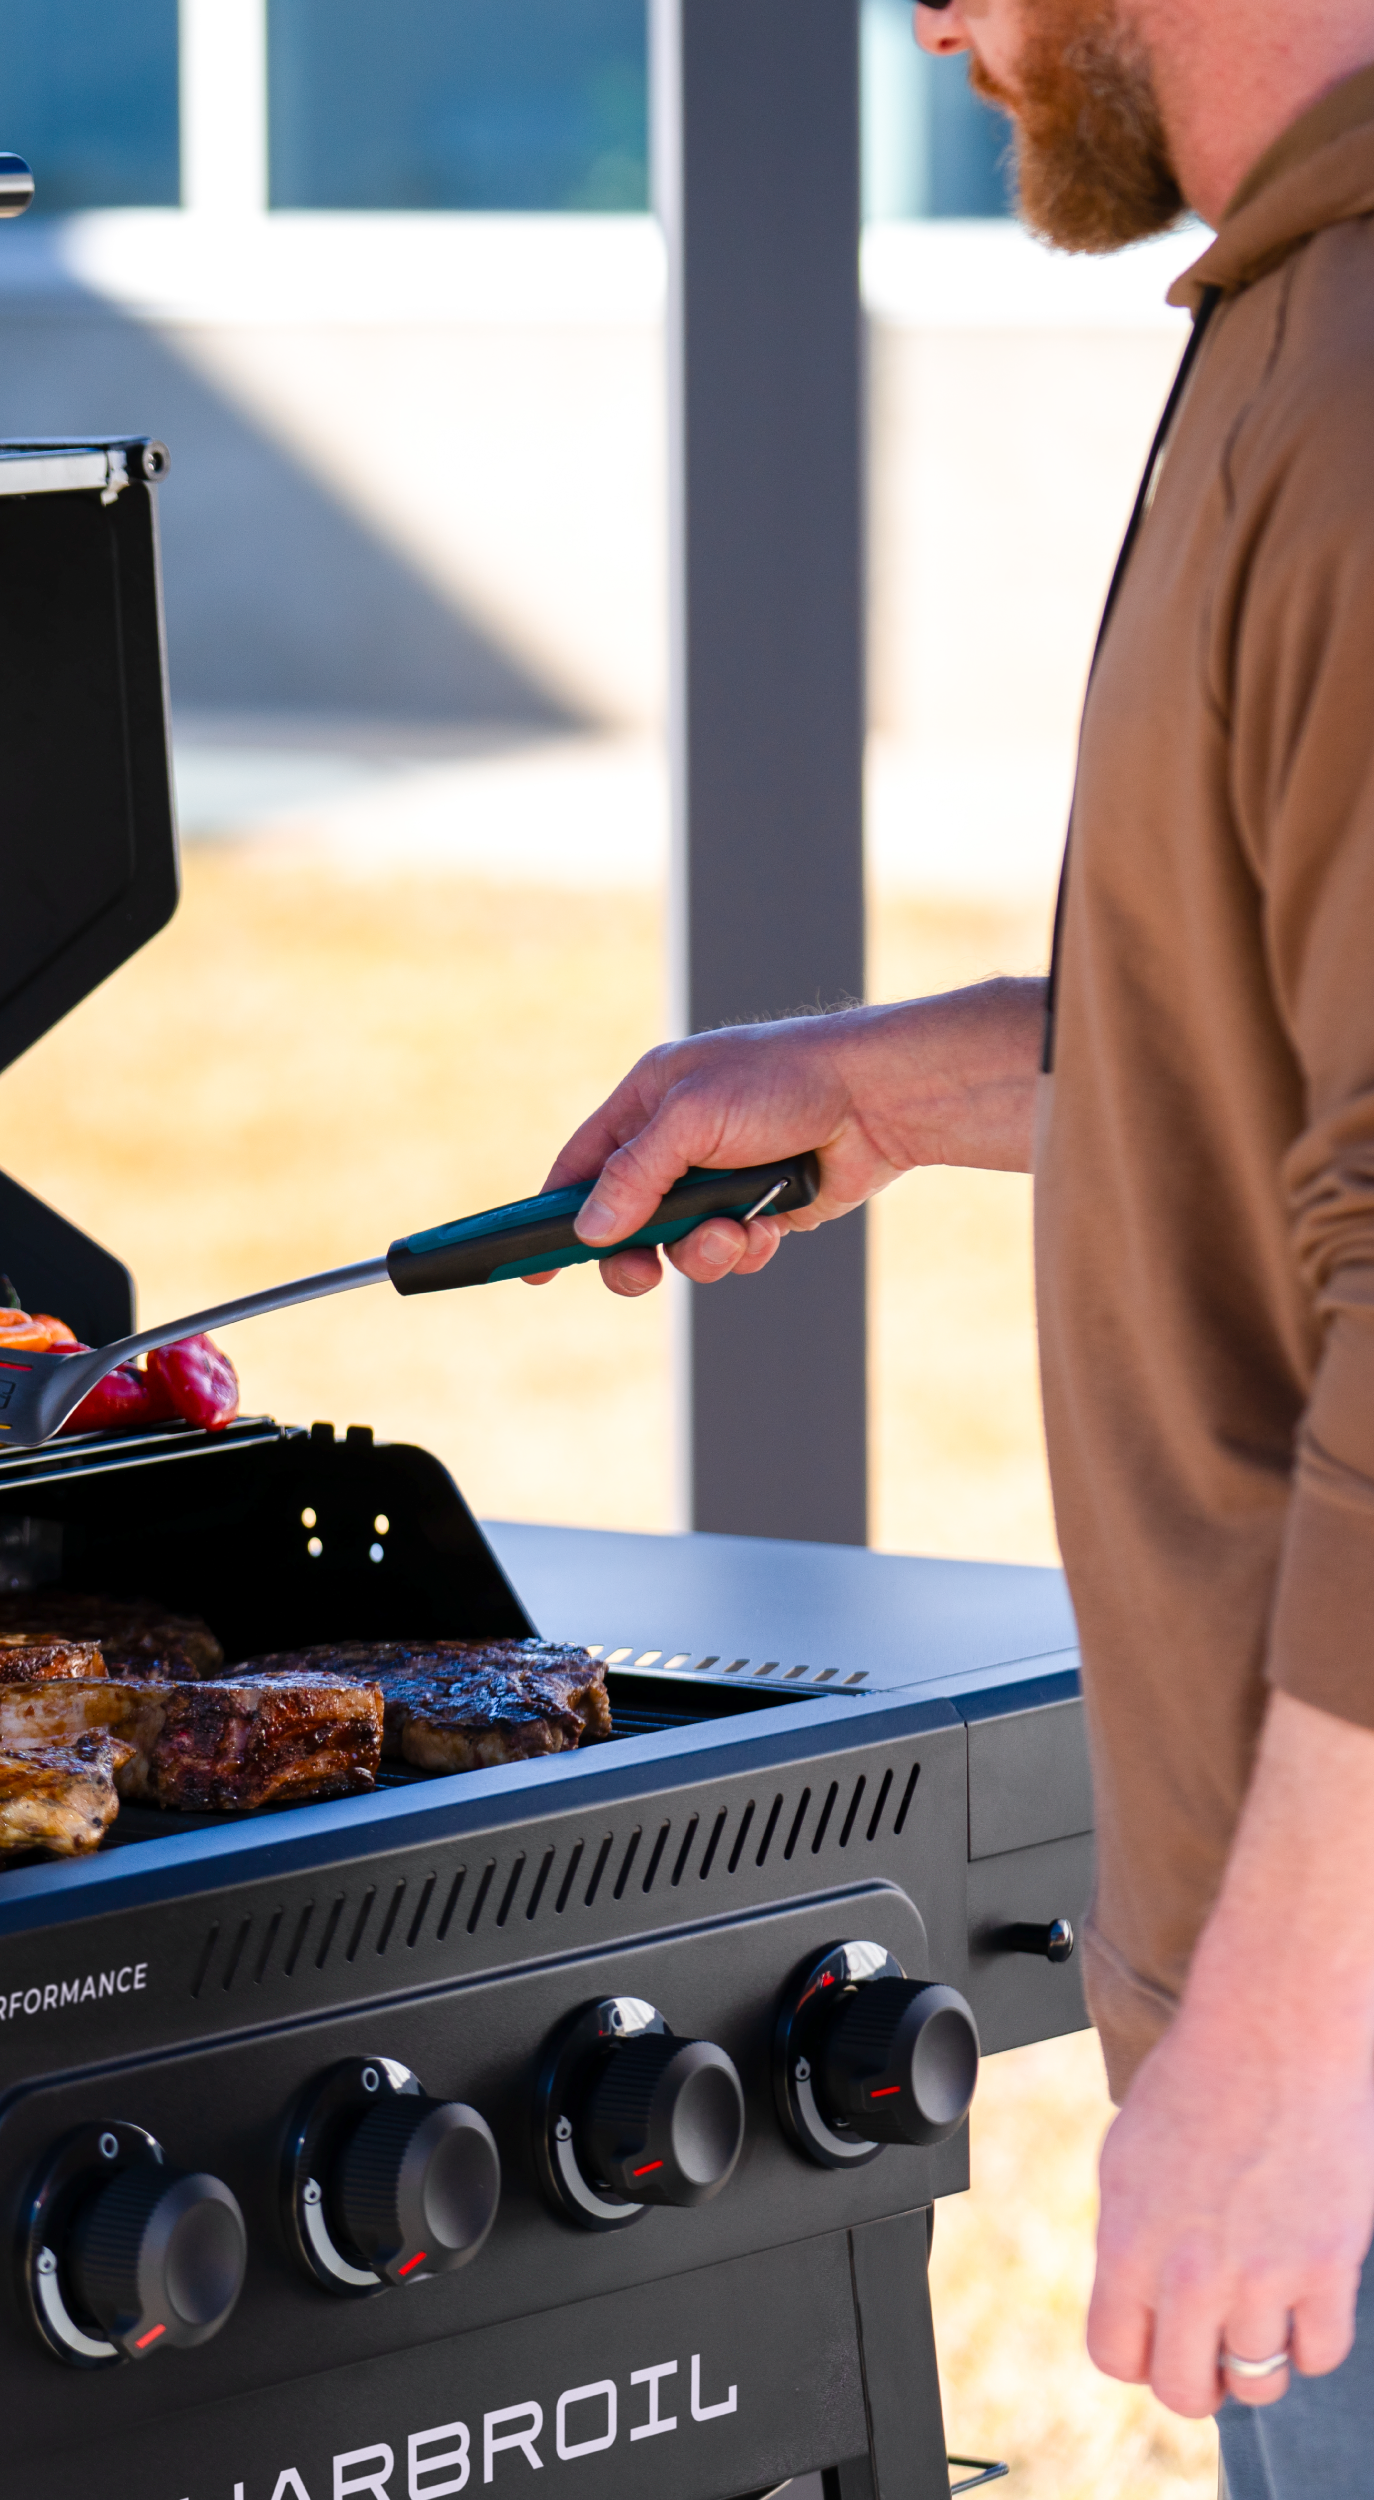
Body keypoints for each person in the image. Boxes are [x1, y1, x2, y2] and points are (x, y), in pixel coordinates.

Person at [533, 3, 1374, 2490]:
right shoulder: (1291, 314)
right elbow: (1291, 1046)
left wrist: (1290, 2035)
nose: (921, 12)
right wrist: (904, 1085)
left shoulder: (1352, 383)